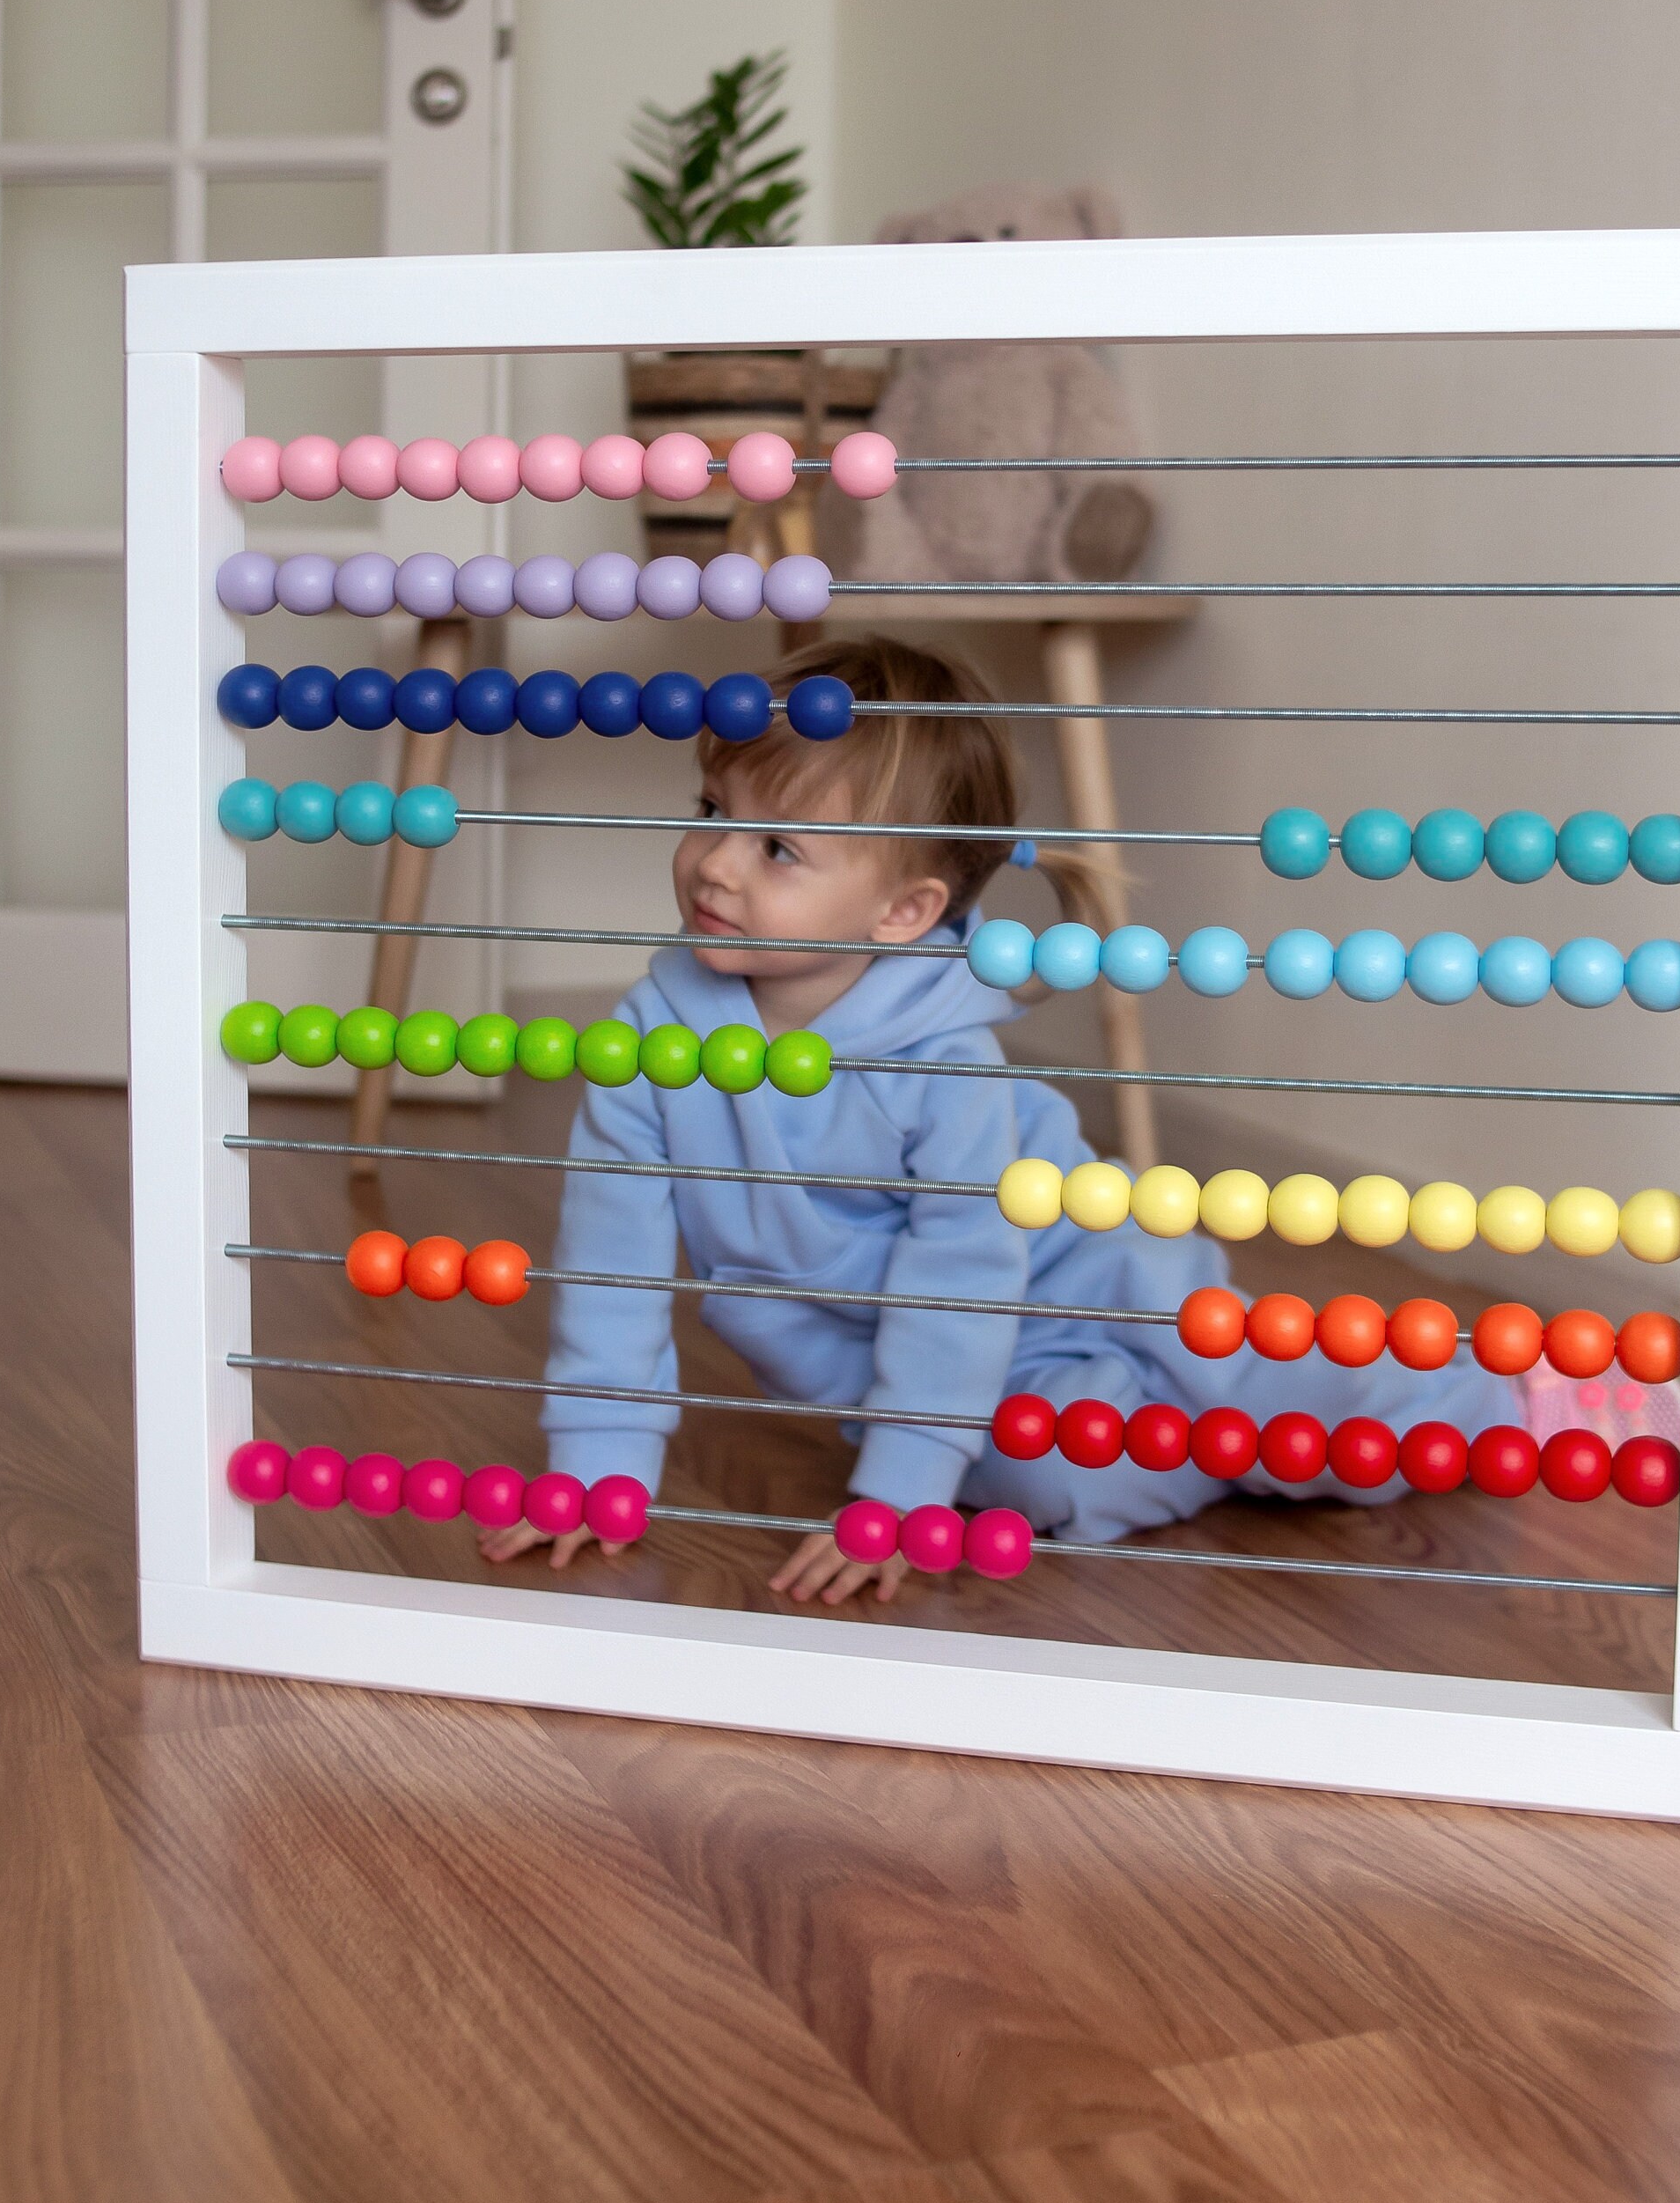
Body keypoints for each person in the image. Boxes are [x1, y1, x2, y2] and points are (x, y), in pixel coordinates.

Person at [481, 636, 1519, 1603]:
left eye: (777, 848)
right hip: (964, 1364)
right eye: (712, 811)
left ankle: (1506, 1396)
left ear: (904, 912)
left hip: (1095, 1285)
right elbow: (611, 1268)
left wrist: (895, 1502)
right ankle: (1180, 1447)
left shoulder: (946, 1069)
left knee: (1292, 1419)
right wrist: (596, 1472)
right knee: (1047, 1484)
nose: (716, 862)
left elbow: (957, 1285)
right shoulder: (651, 1046)